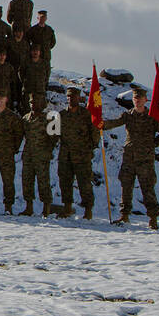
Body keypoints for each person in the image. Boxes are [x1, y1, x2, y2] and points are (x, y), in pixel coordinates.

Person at [102, 84, 159, 228]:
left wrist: (153, 144)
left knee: (148, 188)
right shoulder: (128, 115)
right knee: (126, 186)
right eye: (135, 98)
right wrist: (102, 124)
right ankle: (124, 216)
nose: (137, 101)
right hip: (129, 157)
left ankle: (153, 218)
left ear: (145, 100)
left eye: (140, 98)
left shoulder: (151, 117)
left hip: (145, 159)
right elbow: (115, 122)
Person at [57, 86, 98, 219]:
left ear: (79, 98)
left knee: (84, 183)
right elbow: (55, 134)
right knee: (65, 182)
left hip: (82, 156)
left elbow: (95, 133)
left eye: (73, 96)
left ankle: (88, 210)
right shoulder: (62, 115)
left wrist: (90, 148)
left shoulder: (86, 114)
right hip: (66, 155)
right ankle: (67, 208)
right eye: (68, 96)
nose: (70, 99)